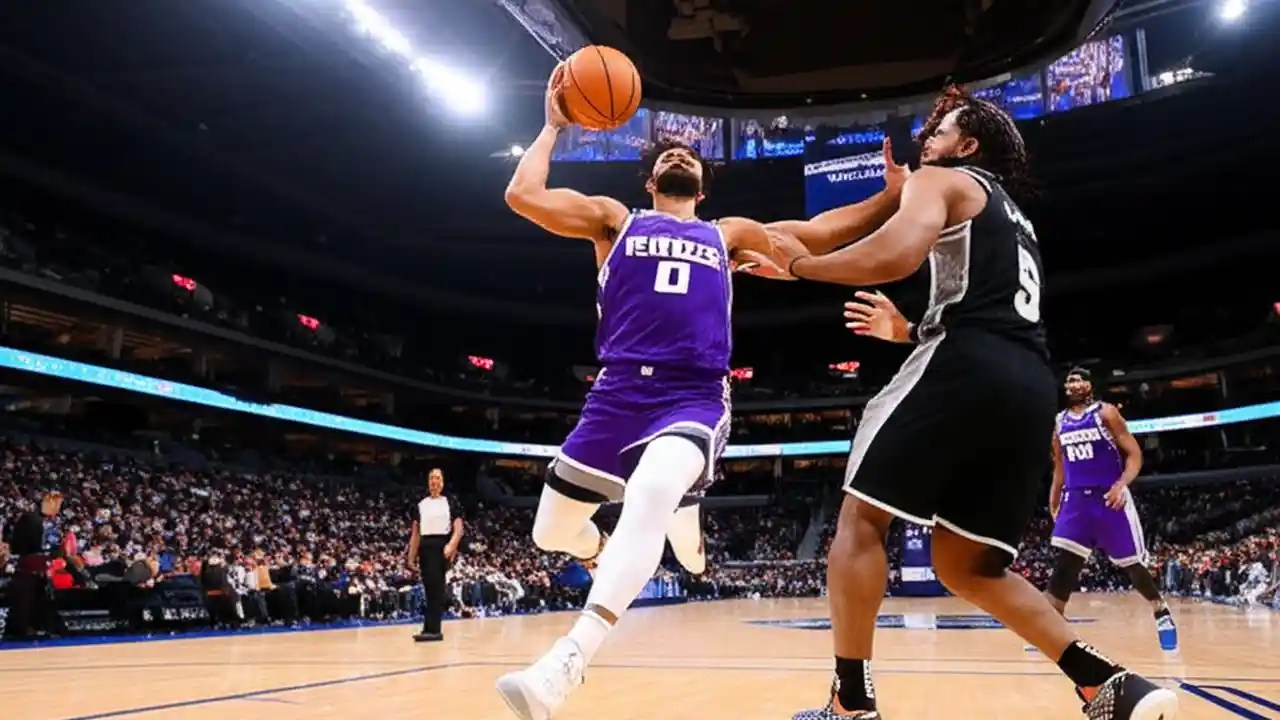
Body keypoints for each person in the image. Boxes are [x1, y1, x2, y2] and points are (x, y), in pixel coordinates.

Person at [769, 86, 1177, 719]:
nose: (926, 140)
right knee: (970, 567)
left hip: (965, 363)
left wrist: (799, 266)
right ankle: (1109, 684)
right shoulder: (1014, 216)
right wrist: (909, 330)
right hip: (1028, 382)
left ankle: (850, 704)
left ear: (967, 145)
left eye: (939, 132)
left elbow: (893, 254)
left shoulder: (943, 178)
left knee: (861, 521)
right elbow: (990, 310)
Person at [492, 63, 791, 720]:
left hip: (692, 393)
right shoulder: (614, 221)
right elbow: (522, 194)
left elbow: (810, 244)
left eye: (690, 156)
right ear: (651, 181)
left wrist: (890, 205)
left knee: (652, 490)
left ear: (702, 185)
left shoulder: (726, 235)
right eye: (667, 156)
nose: (679, 156)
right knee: (550, 533)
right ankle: (619, 539)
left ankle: (567, 660)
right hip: (617, 395)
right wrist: (552, 127)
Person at [1047, 368, 1178, 651]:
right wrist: (1054, 499)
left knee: (1131, 565)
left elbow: (1134, 454)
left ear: (1090, 385)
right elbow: (1060, 466)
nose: (1074, 383)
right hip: (1076, 500)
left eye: (1080, 379)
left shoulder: (1106, 413)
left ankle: (1160, 610)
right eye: (1069, 379)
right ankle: (1051, 625)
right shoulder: (1059, 422)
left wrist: (1121, 485)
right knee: (1066, 564)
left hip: (1108, 497)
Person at [406, 468, 463, 642]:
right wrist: (411, 556)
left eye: (437, 478)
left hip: (441, 545)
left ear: (442, 482)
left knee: (437, 587)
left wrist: (451, 545)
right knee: (429, 587)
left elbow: (458, 529)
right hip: (425, 546)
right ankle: (429, 628)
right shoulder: (421, 504)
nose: (434, 481)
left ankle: (434, 628)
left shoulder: (450, 502)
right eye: (431, 478)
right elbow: (416, 533)